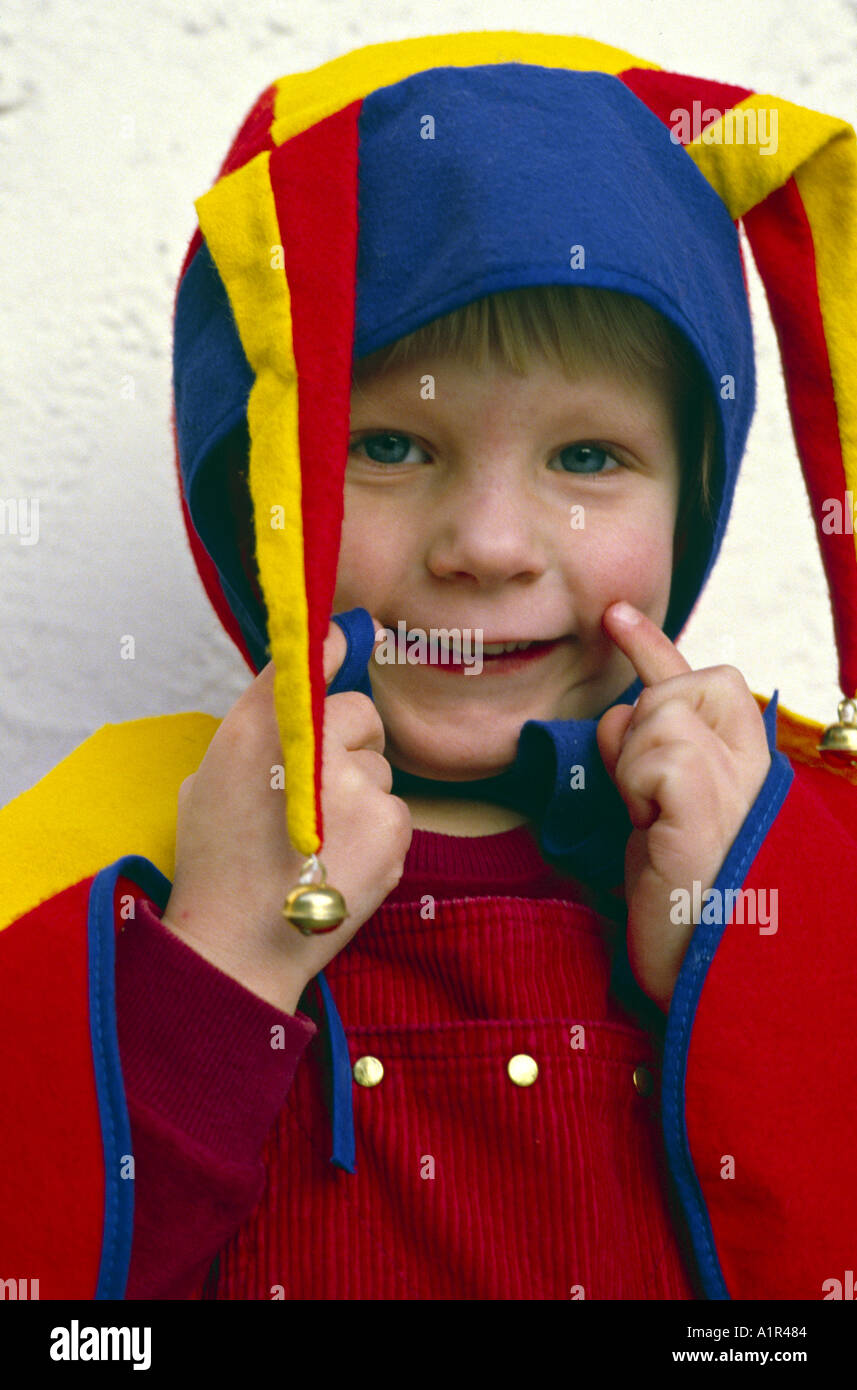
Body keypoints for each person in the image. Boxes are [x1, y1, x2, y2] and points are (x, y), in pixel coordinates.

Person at [2, 30, 856, 1302]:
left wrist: (750, 972)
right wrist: (225, 962)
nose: (487, 546)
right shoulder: (101, 866)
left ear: (694, 496)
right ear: (260, 484)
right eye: (392, 446)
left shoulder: (804, 851)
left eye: (585, 459)